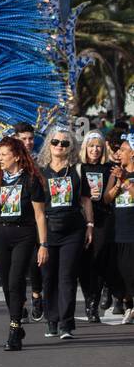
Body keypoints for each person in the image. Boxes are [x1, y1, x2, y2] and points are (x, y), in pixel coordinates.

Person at [0, 136, 49, 351]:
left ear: (17, 156)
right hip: (1, 235)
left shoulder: (31, 180)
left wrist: (43, 244)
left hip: (24, 235)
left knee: (16, 280)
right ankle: (16, 321)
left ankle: (14, 328)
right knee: (6, 284)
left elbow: (39, 215)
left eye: (4, 155)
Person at [36, 127, 93, 340]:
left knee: (67, 277)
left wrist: (89, 225)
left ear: (71, 147)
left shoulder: (78, 170)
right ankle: (52, 320)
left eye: (65, 143)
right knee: (49, 277)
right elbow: (38, 207)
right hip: (48, 229)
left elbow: (86, 199)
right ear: (49, 145)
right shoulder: (40, 173)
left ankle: (66, 324)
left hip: (73, 230)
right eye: (56, 142)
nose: (60, 146)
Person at [78, 132, 115, 323]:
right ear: (85, 148)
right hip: (81, 220)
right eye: (91, 146)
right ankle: (88, 299)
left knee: (98, 261)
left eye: (98, 146)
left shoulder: (109, 169)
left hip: (103, 219)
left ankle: (94, 303)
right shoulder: (79, 169)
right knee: (84, 264)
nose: (95, 149)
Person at [13, 123, 45, 321]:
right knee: (16, 267)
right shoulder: (8, 162)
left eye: (30, 138)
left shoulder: (39, 161)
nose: (28, 142)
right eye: (23, 139)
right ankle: (20, 303)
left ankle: (36, 295)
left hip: (36, 219)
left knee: (35, 262)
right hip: (15, 221)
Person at [101, 137, 134, 324]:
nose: (119, 153)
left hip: (132, 231)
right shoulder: (115, 172)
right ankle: (128, 304)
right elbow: (106, 199)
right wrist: (116, 183)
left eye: (123, 149)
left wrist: (126, 181)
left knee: (131, 271)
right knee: (120, 271)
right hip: (118, 230)